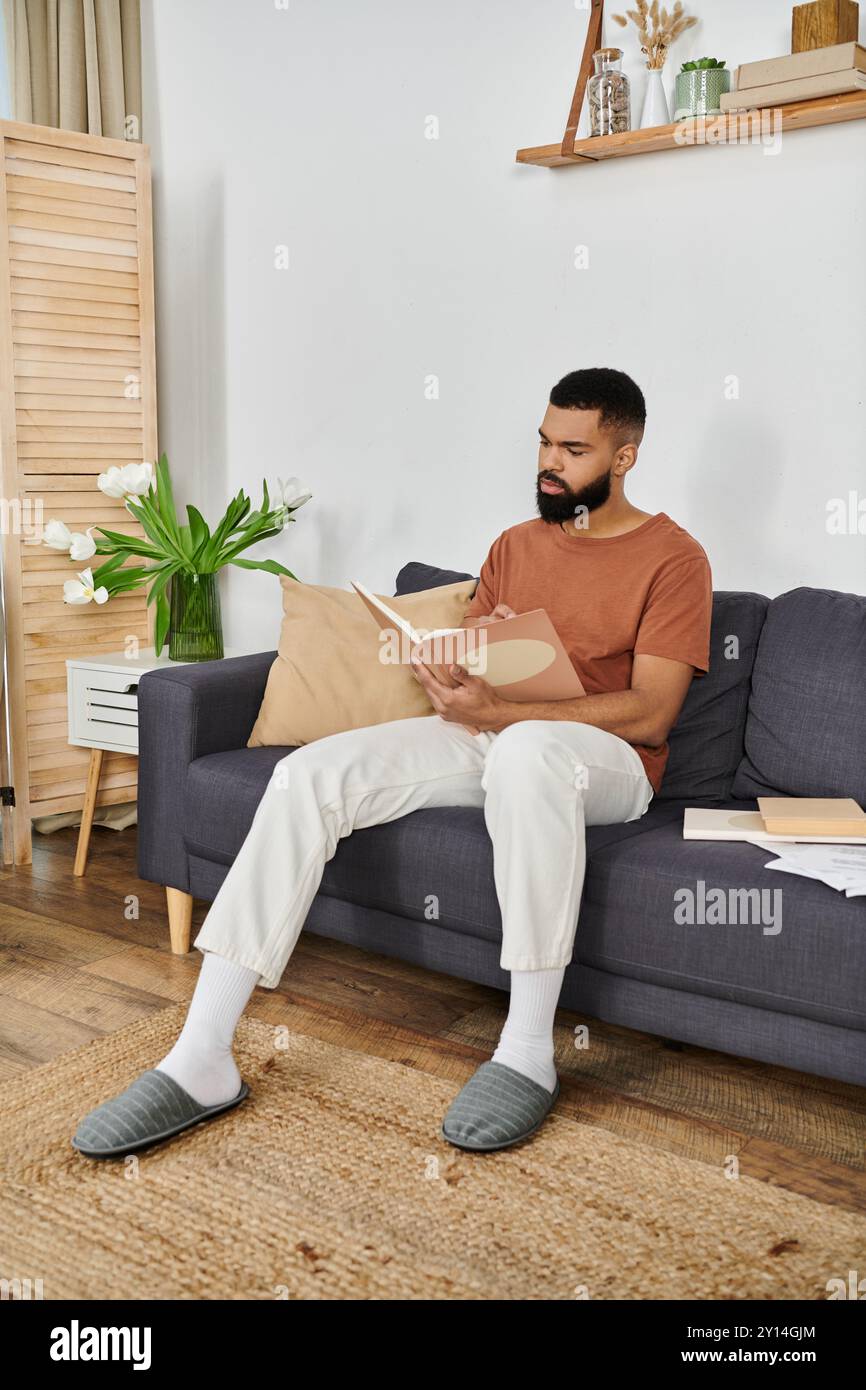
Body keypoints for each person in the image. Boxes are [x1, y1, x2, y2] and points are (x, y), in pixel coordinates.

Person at [72, 367, 712, 1158]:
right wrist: (463, 669)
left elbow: (652, 710)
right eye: (543, 442)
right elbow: (475, 665)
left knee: (530, 754)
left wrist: (504, 711)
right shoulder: (515, 543)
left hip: (602, 764)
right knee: (308, 776)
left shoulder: (675, 558)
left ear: (625, 457)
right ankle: (202, 1056)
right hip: (494, 734)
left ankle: (527, 1052)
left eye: (573, 449)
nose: (549, 462)